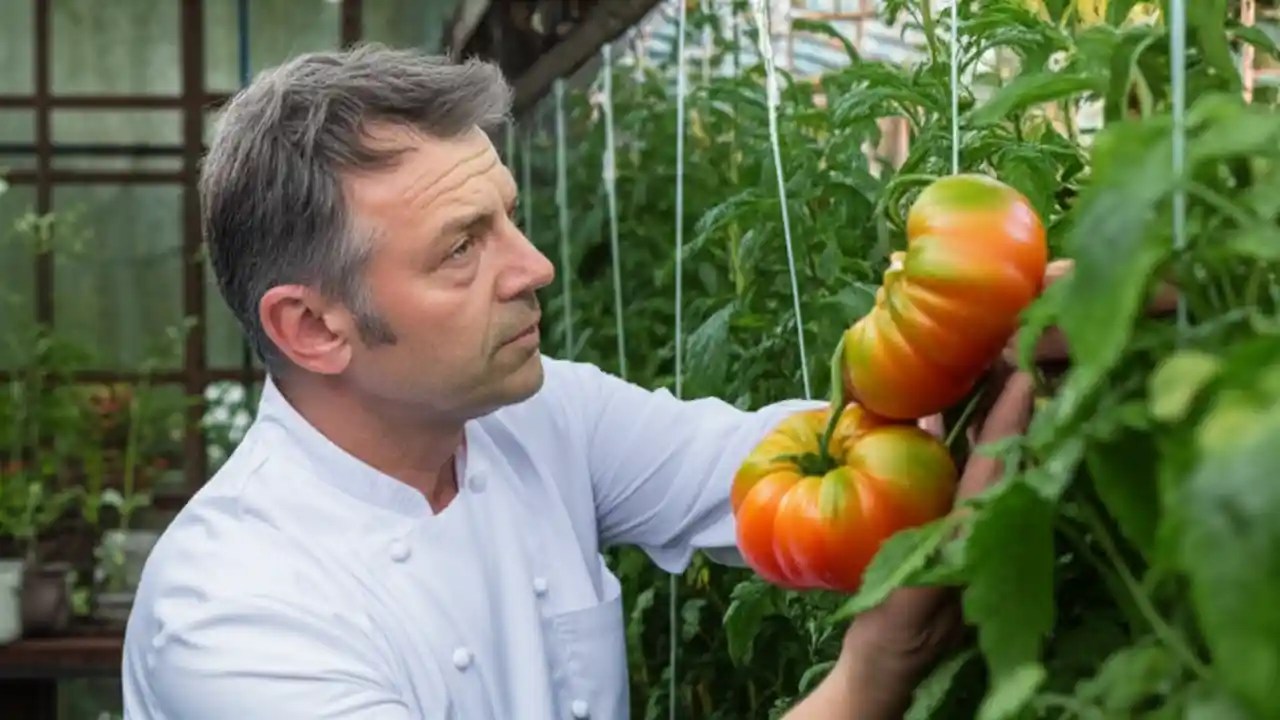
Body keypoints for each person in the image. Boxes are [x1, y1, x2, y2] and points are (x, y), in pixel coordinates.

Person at [120, 44, 1041, 719]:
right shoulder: (236, 614)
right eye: (461, 247)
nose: (536, 267)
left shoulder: (535, 416)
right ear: (314, 327)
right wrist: (868, 680)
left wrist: (1006, 318)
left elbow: (804, 465)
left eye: (508, 219)